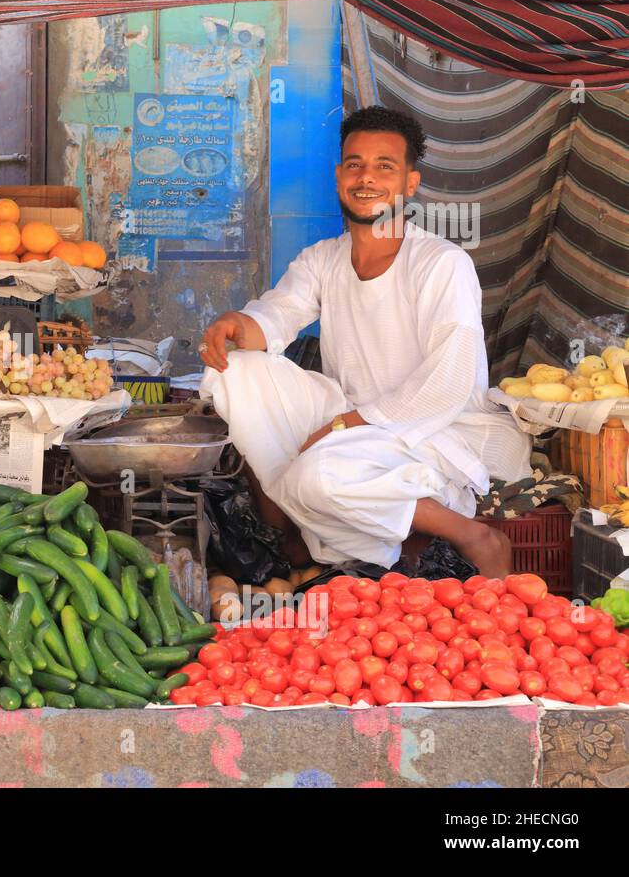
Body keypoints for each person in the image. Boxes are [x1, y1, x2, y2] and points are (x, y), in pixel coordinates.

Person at [197, 106, 530, 578]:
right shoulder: (324, 259)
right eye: (355, 164)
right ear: (338, 176)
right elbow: (276, 317)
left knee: (316, 476)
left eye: (384, 166)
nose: (366, 177)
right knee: (235, 367)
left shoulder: (441, 263)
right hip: (352, 420)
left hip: (432, 431)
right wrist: (238, 325)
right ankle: (297, 537)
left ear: (410, 183)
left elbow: (450, 382)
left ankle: (472, 535)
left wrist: (345, 426)